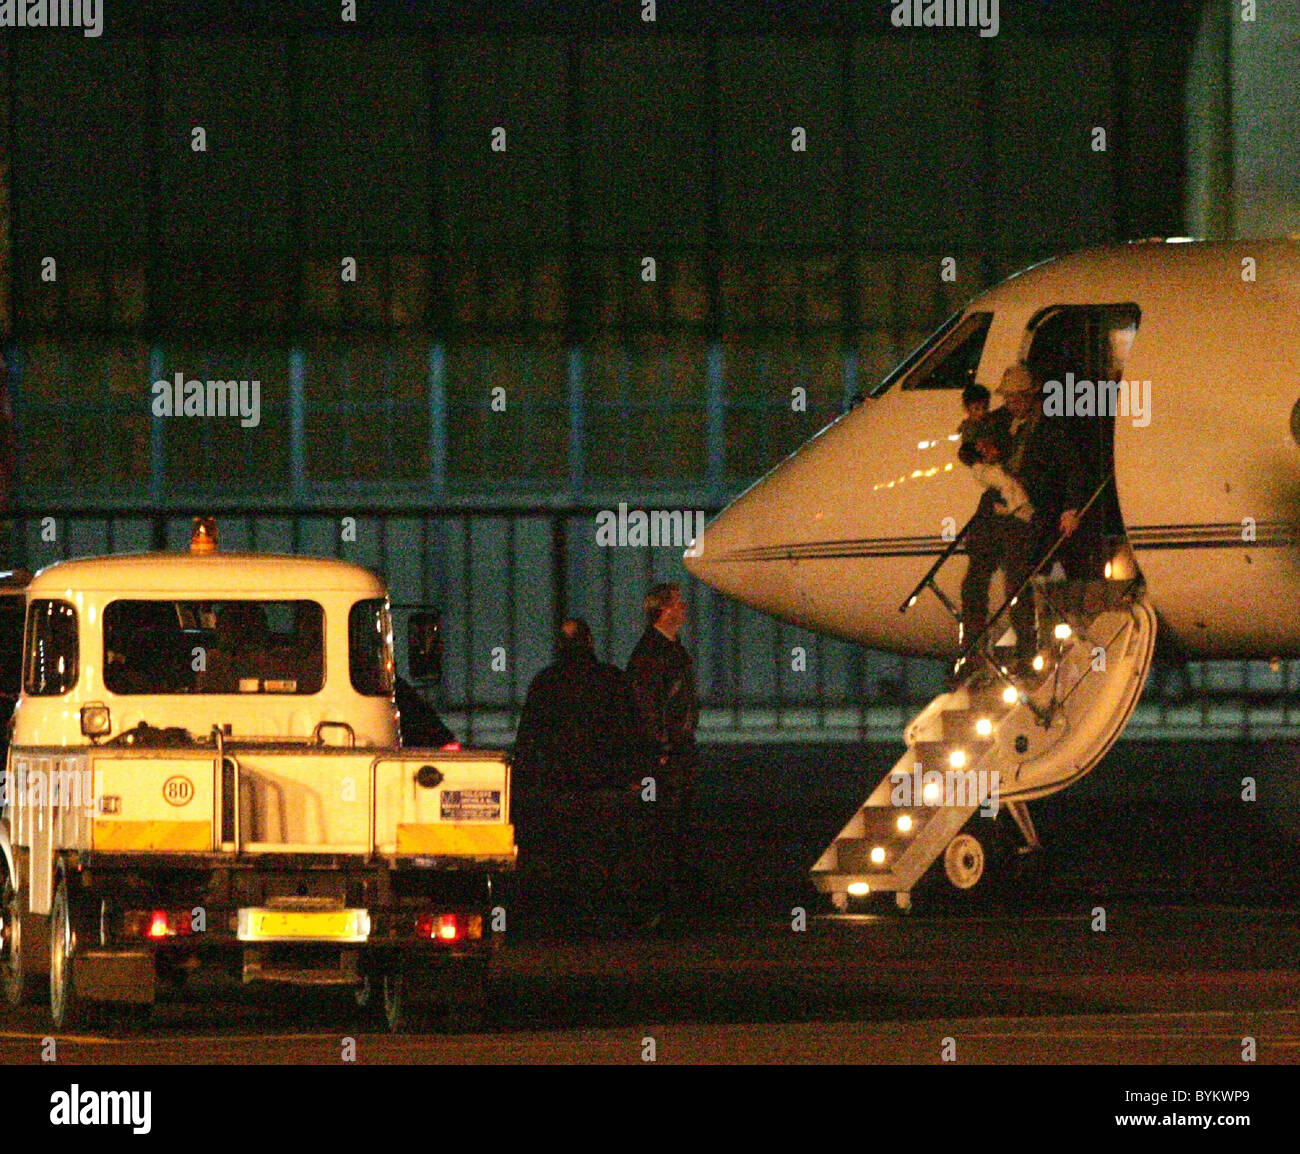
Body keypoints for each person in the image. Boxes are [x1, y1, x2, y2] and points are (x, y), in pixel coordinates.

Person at [996, 363, 1093, 663]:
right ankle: (1028, 645)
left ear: (1029, 396)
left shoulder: (1050, 429)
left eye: (1017, 398)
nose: (1012, 404)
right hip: (1016, 516)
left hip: (1042, 514)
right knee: (1016, 582)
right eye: (1008, 398)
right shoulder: (1008, 428)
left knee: (1032, 580)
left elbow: (1073, 469)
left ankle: (1041, 645)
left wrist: (1070, 509)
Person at [626, 583, 700, 920]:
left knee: (670, 829)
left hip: (669, 755)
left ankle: (666, 906)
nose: (684, 608)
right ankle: (664, 906)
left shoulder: (660, 651)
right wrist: (661, 752)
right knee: (665, 829)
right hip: (665, 758)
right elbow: (648, 709)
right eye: (678, 603)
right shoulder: (655, 655)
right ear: (664, 610)